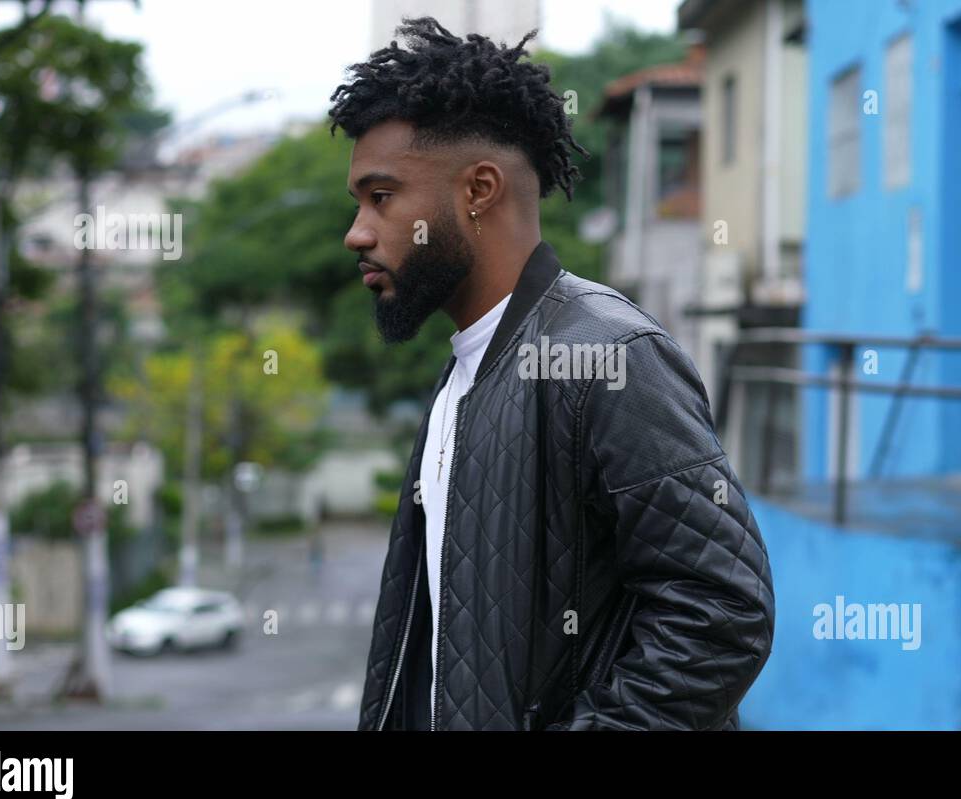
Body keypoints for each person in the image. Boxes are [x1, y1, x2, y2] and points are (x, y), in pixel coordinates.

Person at [330, 16, 775, 730]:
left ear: (479, 189)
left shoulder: (610, 354)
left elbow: (721, 612)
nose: (357, 231)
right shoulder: (461, 379)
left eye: (381, 197)